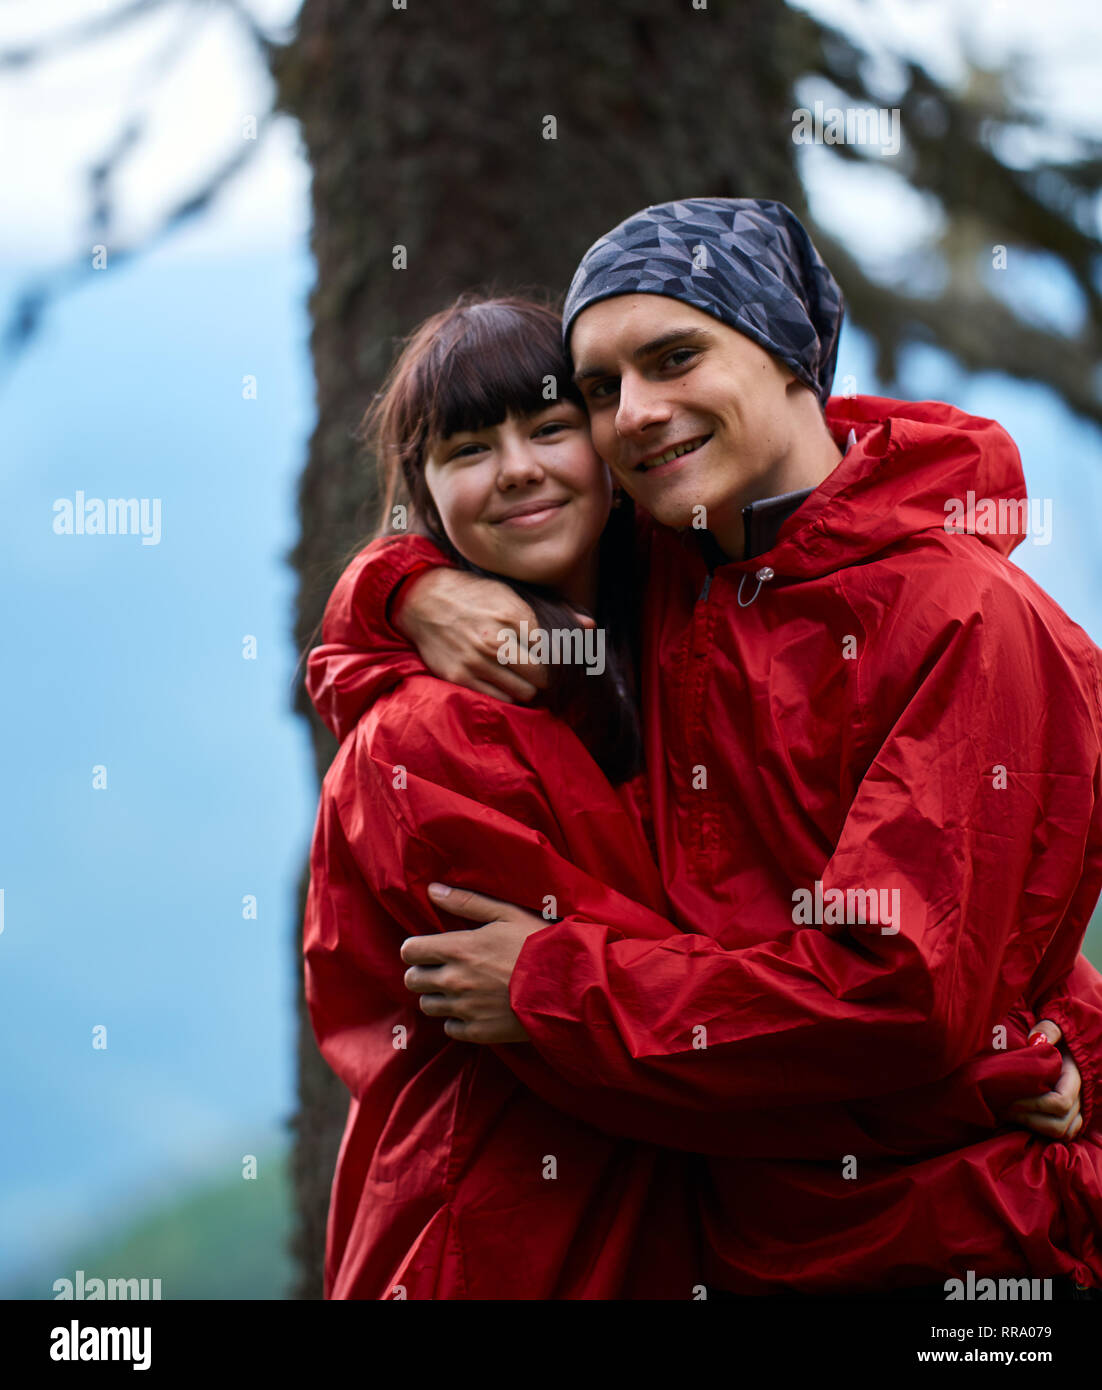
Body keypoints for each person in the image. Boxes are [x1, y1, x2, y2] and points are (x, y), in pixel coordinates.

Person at [343, 200, 1102, 1297]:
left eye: (674, 356)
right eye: (600, 391)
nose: (635, 415)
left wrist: (557, 985)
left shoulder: (963, 619)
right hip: (753, 1236)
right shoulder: (674, 564)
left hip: (963, 1238)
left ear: (791, 352)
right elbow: (477, 536)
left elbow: (895, 994)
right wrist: (406, 587)